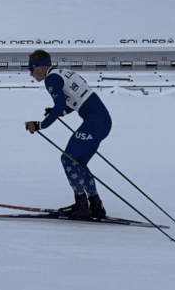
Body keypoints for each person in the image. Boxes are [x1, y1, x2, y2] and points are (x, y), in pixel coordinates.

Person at [24, 50, 112, 219]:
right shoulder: (63, 73)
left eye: (32, 70)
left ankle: (81, 206)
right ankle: (95, 205)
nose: (31, 74)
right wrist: (60, 112)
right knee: (79, 162)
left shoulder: (51, 78)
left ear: (41, 67)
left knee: (67, 159)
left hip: (94, 124)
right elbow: (75, 101)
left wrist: (39, 125)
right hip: (103, 122)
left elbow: (59, 106)